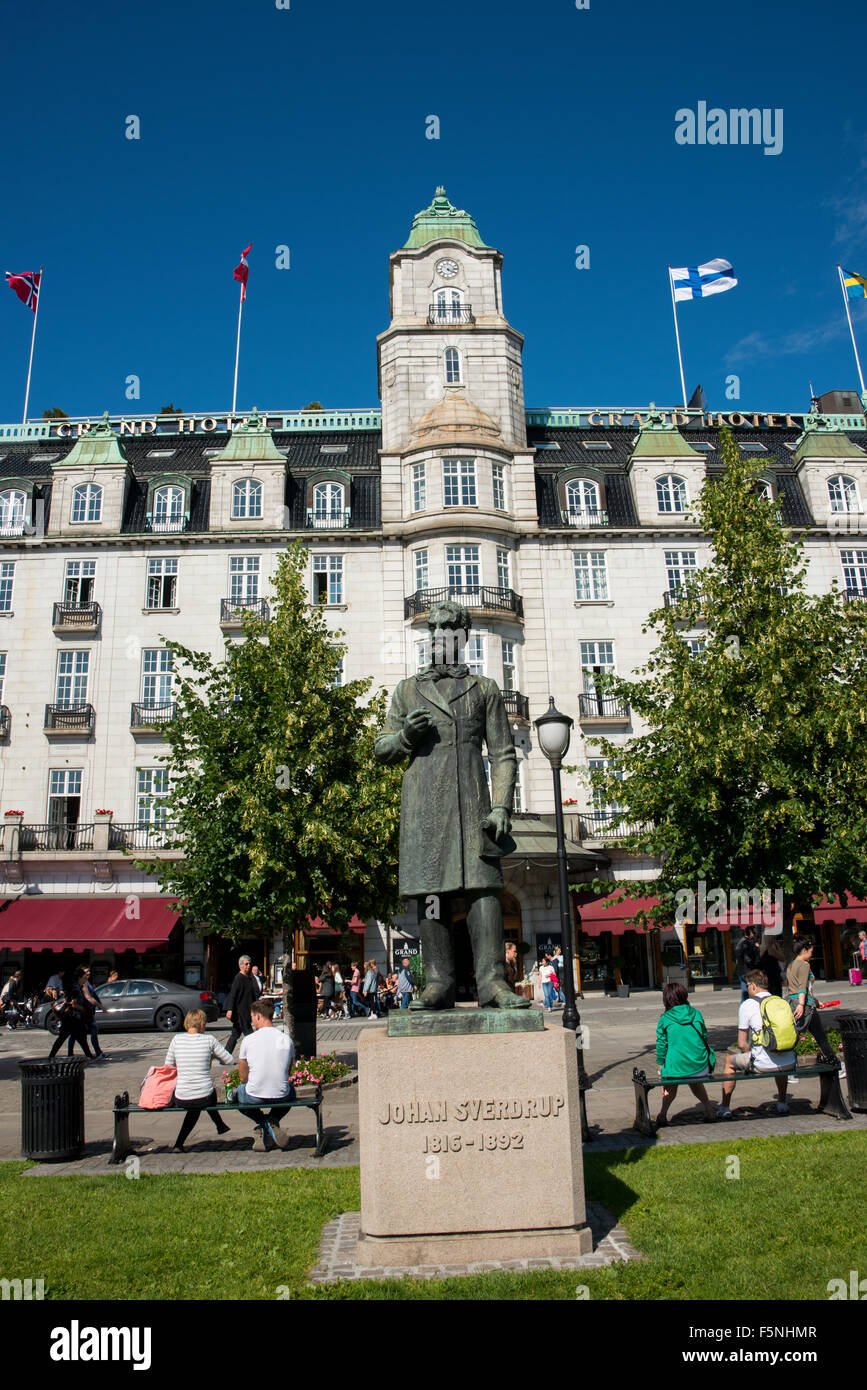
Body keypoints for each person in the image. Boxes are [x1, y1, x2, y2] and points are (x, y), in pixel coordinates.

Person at [374, 600, 530, 1011]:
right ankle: (438, 981)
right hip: (424, 806)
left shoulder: (485, 690)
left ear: (462, 637)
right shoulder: (408, 690)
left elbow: (503, 753)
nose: (441, 636)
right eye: (436, 630)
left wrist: (501, 807)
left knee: (485, 891)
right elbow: (381, 748)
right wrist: (405, 736)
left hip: (473, 801)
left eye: (450, 630)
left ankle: (493, 982)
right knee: (432, 892)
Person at [718, 969, 796, 1118]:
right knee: (779, 1053)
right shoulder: (781, 1001)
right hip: (790, 1061)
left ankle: (724, 1106)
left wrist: (749, 1052)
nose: (747, 989)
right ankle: (782, 1102)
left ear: (753, 986)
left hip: (762, 1063)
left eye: (747, 985)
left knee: (729, 1061)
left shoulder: (747, 1005)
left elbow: (742, 1043)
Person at [164, 1010, 234, 1151]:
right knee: (204, 1096)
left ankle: (180, 1143)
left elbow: (168, 1066)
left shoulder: (177, 1039)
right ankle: (219, 1125)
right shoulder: (209, 1040)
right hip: (205, 1095)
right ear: (203, 1024)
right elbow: (229, 1060)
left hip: (181, 1096)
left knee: (195, 1104)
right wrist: (211, 1056)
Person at [237, 998, 296, 1151]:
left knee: (237, 1094)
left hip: (254, 1095)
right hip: (281, 1094)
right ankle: (272, 1121)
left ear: (258, 1016)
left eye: (252, 1017)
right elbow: (289, 1070)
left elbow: (243, 1077)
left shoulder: (248, 1040)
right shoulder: (286, 1039)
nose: (252, 1021)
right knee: (291, 1091)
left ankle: (263, 1123)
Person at [655, 981, 717, 1124]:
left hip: (676, 1067)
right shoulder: (696, 1014)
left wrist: (660, 1066)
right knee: (694, 1080)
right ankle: (709, 1109)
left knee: (671, 1082)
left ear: (666, 999)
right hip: (700, 1066)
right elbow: (704, 1036)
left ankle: (662, 1114)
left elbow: (661, 1046)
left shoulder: (665, 1019)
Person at [785, 935, 837, 1065]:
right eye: (811, 951)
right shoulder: (804, 965)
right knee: (820, 1037)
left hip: (793, 1002)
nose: (811, 954)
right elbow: (802, 987)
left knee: (793, 1036)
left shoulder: (791, 965)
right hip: (804, 1006)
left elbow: (795, 988)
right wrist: (802, 1004)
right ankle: (835, 1062)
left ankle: (786, 1065)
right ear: (804, 950)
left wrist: (815, 1001)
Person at [48, 968, 94, 1060]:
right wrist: (83, 1009)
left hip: (71, 1018)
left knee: (69, 1038)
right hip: (73, 1017)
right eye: (84, 978)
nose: (85, 981)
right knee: (78, 1038)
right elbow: (74, 1003)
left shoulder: (75, 986)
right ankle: (89, 1055)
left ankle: (51, 1055)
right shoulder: (75, 988)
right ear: (79, 978)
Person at [224, 955, 258, 1051]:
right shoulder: (238, 978)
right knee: (250, 1035)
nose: (248, 966)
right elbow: (232, 994)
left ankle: (225, 1056)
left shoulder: (249, 978)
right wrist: (229, 1009)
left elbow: (251, 995)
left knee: (235, 1034)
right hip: (240, 1012)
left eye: (249, 964)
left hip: (247, 1010)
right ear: (241, 965)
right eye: (246, 964)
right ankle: (255, 1054)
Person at [80, 967, 107, 1060]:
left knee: (75, 1034)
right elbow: (88, 997)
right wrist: (101, 1006)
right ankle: (97, 1052)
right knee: (92, 1029)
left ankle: (71, 1053)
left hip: (88, 1010)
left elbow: (93, 995)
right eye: (86, 971)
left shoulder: (87, 982)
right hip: (85, 1011)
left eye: (89, 971)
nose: (89, 972)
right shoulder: (83, 983)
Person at [733, 926, 760, 1002]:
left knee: (745, 991)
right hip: (747, 970)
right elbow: (747, 958)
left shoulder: (740, 942)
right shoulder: (746, 943)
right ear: (749, 933)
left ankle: (744, 1006)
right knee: (752, 990)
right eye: (753, 932)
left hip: (741, 970)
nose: (754, 934)